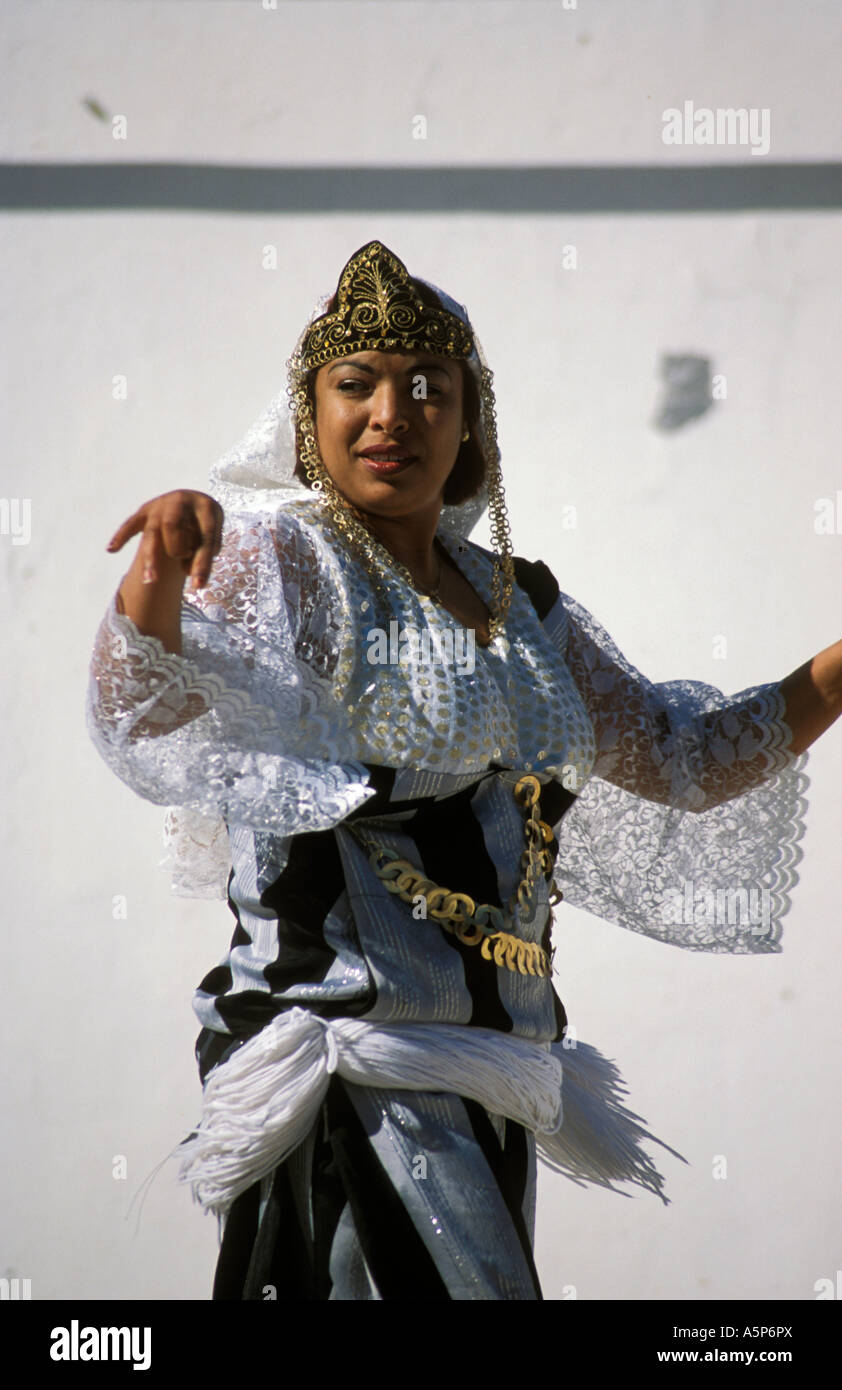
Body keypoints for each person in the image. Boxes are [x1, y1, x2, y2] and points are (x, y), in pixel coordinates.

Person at [85, 240, 837, 1301]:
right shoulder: (282, 565)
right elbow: (147, 703)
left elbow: (685, 756)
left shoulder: (520, 605)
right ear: (309, 416)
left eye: (427, 389)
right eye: (357, 384)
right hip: (354, 1070)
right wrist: (157, 574)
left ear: (469, 426)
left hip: (495, 1075)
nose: (392, 413)